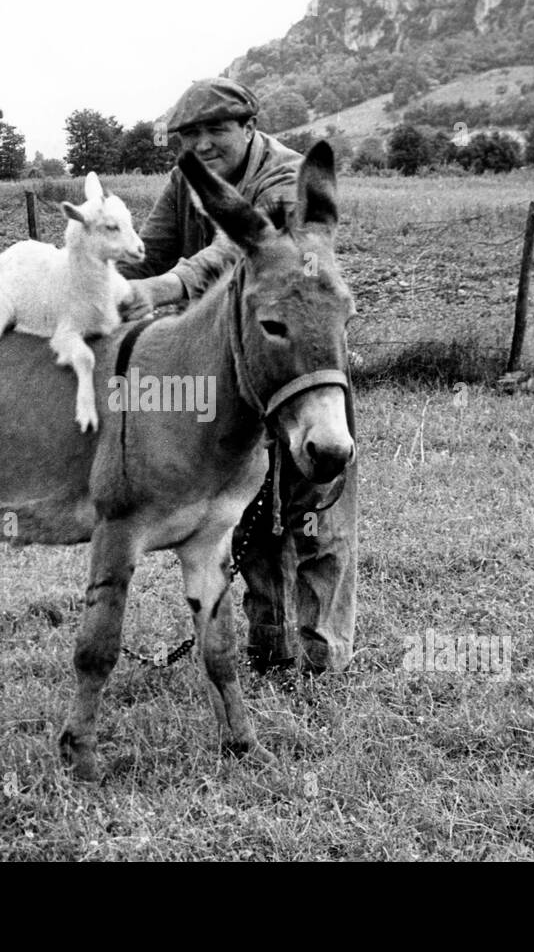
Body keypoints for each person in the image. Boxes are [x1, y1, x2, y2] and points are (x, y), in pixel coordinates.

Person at [119, 77, 358, 675]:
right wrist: (77, 272)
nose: (201, 143)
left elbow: (242, 249)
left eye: (215, 129)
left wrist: (171, 286)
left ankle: (321, 653)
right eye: (189, 134)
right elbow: (148, 252)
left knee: (312, 509)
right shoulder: (186, 182)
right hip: (231, 371)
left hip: (296, 359)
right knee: (246, 506)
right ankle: (272, 648)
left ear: (249, 126)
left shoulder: (287, 176)